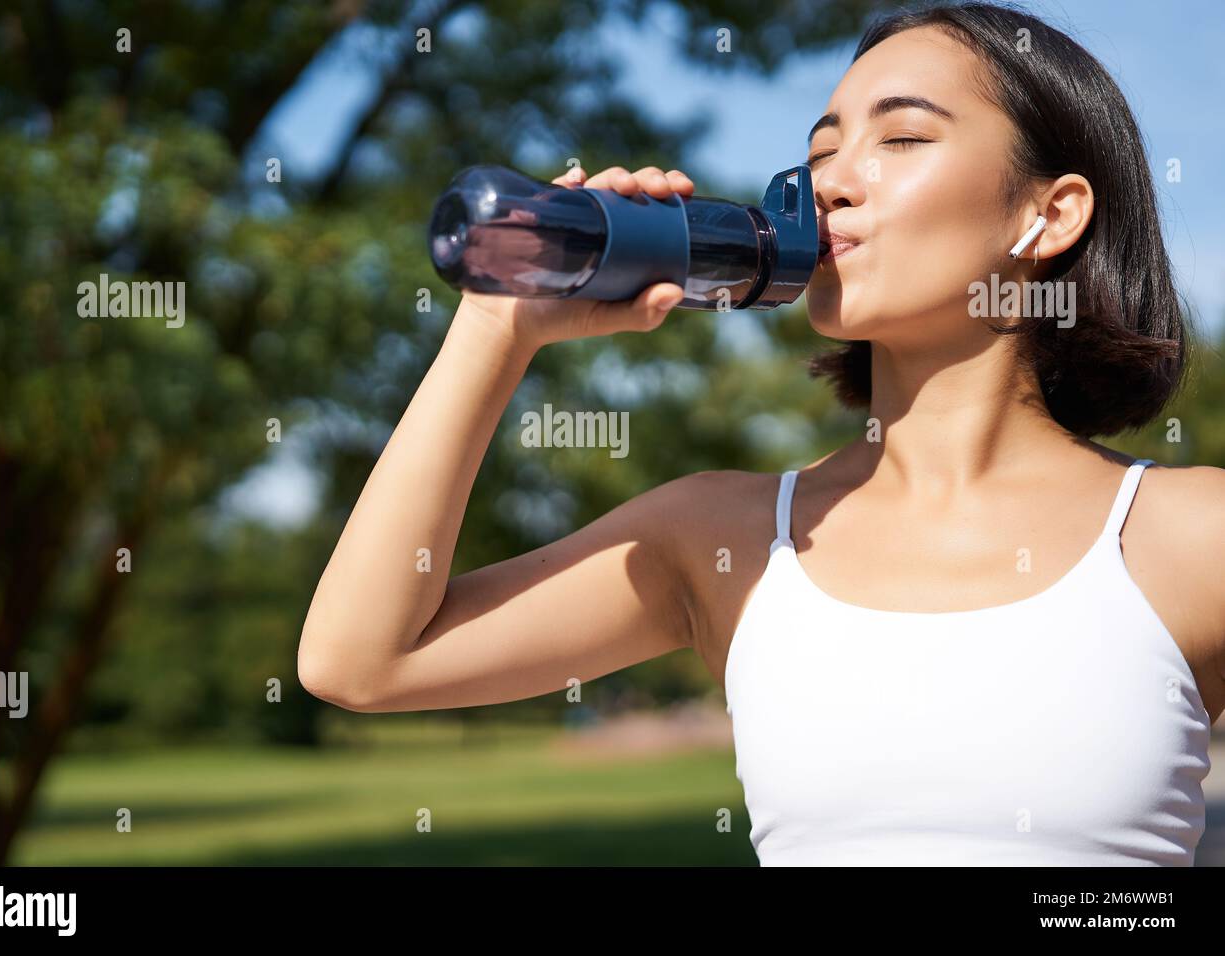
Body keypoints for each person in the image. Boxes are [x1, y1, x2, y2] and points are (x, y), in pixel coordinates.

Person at [298, 1, 1224, 865]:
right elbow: (361, 662)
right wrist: (500, 328)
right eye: (821, 153)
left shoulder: (1191, 537)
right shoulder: (727, 538)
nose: (830, 186)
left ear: (1048, 213)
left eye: (900, 139)